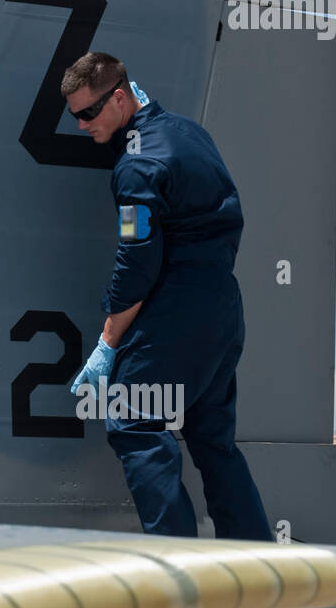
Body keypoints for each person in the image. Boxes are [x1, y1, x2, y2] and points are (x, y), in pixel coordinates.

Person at [60, 51, 272, 540]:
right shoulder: (187, 132)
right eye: (74, 116)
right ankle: (259, 563)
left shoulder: (137, 168)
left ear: (119, 98)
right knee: (214, 441)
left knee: (133, 421)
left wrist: (108, 343)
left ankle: (178, 572)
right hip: (221, 307)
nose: (81, 125)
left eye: (89, 113)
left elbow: (137, 260)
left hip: (175, 310)